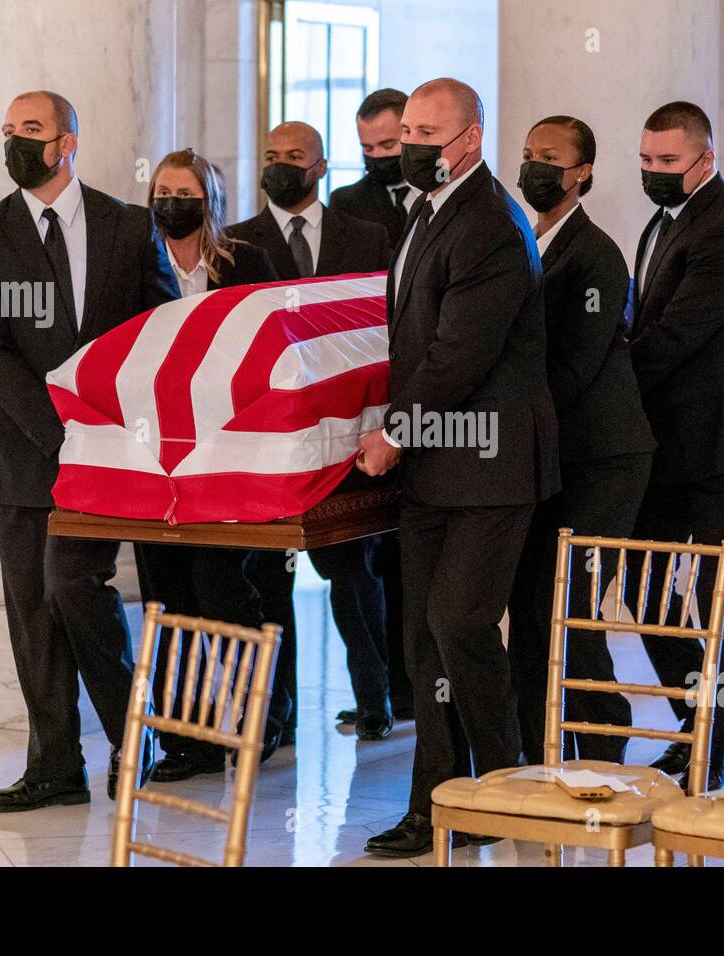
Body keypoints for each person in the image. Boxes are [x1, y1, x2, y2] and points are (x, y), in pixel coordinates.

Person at [0, 90, 178, 811]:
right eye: (8, 128)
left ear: (67, 142)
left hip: (107, 450)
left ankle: (130, 735)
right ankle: (53, 767)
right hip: (24, 452)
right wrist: (57, 430)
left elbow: (161, 330)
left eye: (31, 129)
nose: (15, 140)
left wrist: (111, 424)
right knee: (32, 610)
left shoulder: (127, 226)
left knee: (73, 589)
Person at [358, 78, 559, 857]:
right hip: (437, 465)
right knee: (422, 637)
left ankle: (508, 795)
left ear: (469, 140)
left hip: (489, 459)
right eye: (404, 130)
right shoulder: (426, 209)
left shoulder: (489, 224)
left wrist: (393, 433)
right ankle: (437, 804)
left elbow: (458, 356)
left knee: (461, 624)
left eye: (424, 134)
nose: (409, 145)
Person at [627, 101, 724, 792]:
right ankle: (704, 716)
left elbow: (672, 337)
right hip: (672, 438)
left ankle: (716, 744)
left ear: (705, 159)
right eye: (647, 161)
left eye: (668, 163)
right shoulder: (668, 221)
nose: (654, 173)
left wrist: (598, 384)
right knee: (645, 586)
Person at [227, 121, 397, 742]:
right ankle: (278, 714)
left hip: (344, 434)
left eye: (293, 156)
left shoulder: (368, 237)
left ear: (321, 166)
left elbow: (382, 331)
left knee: (350, 570)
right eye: (270, 155)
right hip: (270, 439)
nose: (280, 165)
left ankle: (374, 697)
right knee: (268, 577)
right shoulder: (238, 243)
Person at [507, 115, 655, 765]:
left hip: (605, 457)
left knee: (573, 600)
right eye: (528, 153)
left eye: (550, 157)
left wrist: (512, 418)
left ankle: (601, 739)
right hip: (556, 454)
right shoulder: (530, 241)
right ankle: (544, 739)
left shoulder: (595, 255)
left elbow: (575, 364)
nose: (534, 166)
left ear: (582, 173)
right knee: (535, 601)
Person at [134, 148, 283, 781]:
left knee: (223, 587)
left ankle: (260, 718)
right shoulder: (136, 263)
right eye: (162, 191)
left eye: (184, 191)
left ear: (209, 200)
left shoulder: (246, 261)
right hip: (155, 455)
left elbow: (277, 343)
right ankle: (185, 740)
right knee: (166, 595)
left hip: (228, 451)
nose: (172, 201)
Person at [329, 87, 419, 724]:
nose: (378, 158)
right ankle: (376, 692)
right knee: (358, 559)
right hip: (367, 398)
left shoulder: (443, 200)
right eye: (366, 149)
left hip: (421, 395)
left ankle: (414, 689)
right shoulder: (347, 206)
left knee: (406, 560)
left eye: (389, 145)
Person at [331, 88, 419, 246]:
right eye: (367, 148)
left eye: (387, 145)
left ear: (412, 135)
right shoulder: (346, 202)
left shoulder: (442, 188)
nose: (377, 155)